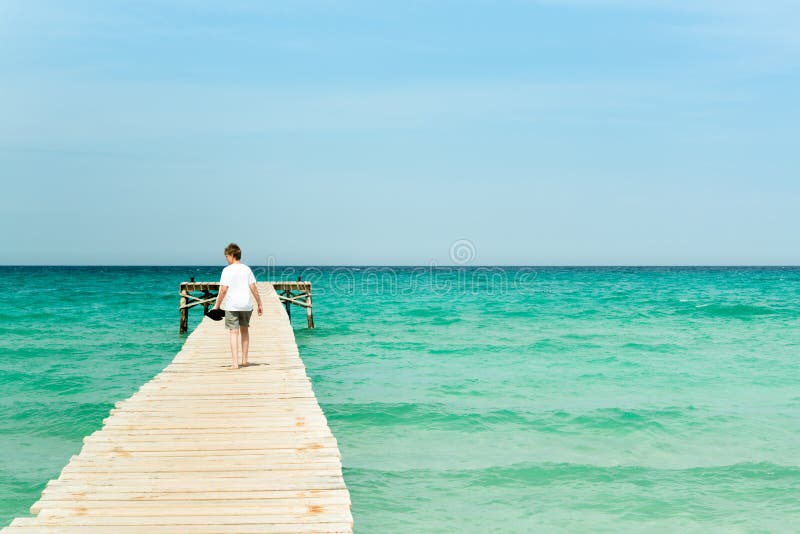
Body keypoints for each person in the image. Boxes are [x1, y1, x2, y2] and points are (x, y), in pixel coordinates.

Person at [213, 243, 263, 369]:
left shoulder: (227, 270)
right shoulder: (247, 269)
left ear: (232, 255)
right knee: (244, 331)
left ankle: (235, 364)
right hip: (246, 305)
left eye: (226, 256)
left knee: (233, 332)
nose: (226, 259)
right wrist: (259, 303)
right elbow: (253, 288)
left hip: (232, 306)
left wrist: (217, 305)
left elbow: (223, 290)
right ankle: (245, 360)